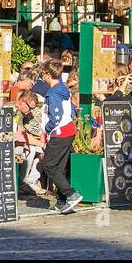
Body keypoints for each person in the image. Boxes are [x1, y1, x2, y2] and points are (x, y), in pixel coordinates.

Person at [39, 60, 83, 214]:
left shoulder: (52, 93)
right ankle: (61, 200)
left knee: (49, 165)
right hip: (68, 130)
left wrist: (47, 128)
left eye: (43, 74)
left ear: (47, 74)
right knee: (59, 167)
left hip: (60, 132)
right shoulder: (63, 88)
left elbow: (56, 115)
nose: (42, 77)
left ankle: (71, 194)